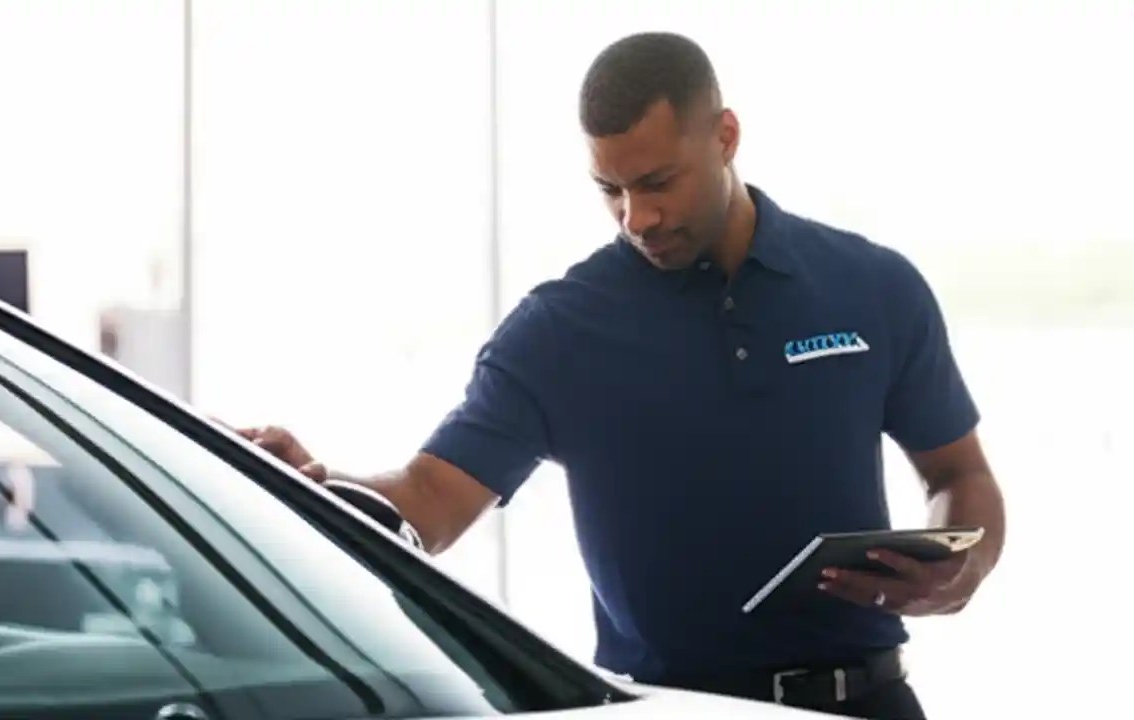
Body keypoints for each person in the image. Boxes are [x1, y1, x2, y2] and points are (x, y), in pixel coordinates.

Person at [238, 31, 1005, 720]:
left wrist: (960, 563)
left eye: (658, 182)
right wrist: (308, 482)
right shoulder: (560, 330)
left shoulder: (873, 285)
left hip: (868, 704)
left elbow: (960, 474)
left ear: (726, 136)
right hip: (667, 711)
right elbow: (428, 504)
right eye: (611, 189)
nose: (637, 217)